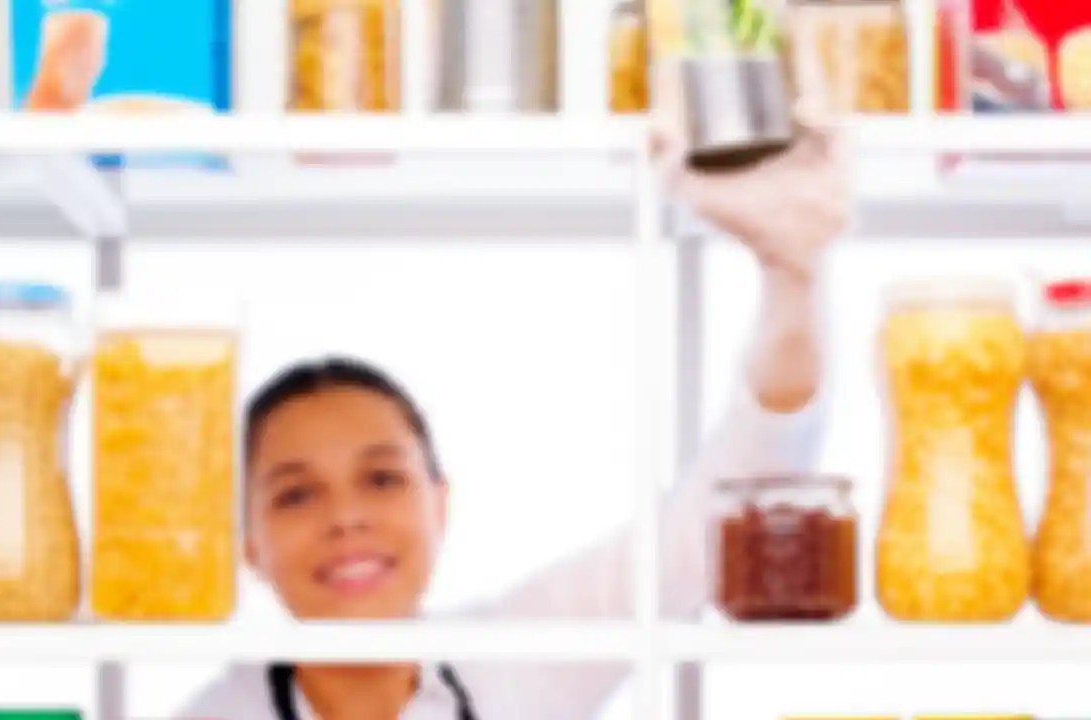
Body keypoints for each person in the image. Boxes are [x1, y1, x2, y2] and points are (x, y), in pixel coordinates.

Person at [176, 102, 850, 720]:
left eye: (382, 479)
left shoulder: (514, 664)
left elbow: (709, 532)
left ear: (439, 506)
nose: (346, 517)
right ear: (249, 548)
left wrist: (792, 273)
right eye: (297, 495)